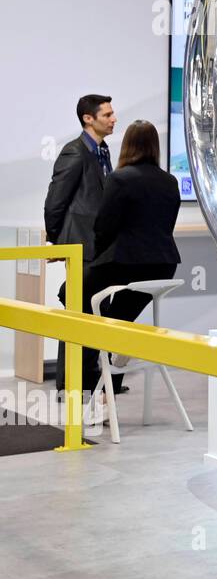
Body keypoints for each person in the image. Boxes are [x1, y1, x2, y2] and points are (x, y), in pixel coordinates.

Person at [80, 120, 183, 395]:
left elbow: (104, 227)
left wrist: (98, 255)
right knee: (120, 316)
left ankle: (91, 370)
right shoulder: (170, 181)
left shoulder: (119, 178)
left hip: (124, 262)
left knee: (71, 292)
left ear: (127, 145)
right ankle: (110, 378)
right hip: (162, 265)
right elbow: (166, 226)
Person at [44, 94, 116, 392]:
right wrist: (55, 241)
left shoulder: (102, 151)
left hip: (99, 244)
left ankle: (92, 377)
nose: (113, 119)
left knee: (95, 308)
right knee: (78, 309)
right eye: (107, 115)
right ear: (89, 118)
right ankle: (69, 382)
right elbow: (55, 201)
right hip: (80, 244)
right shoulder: (75, 152)